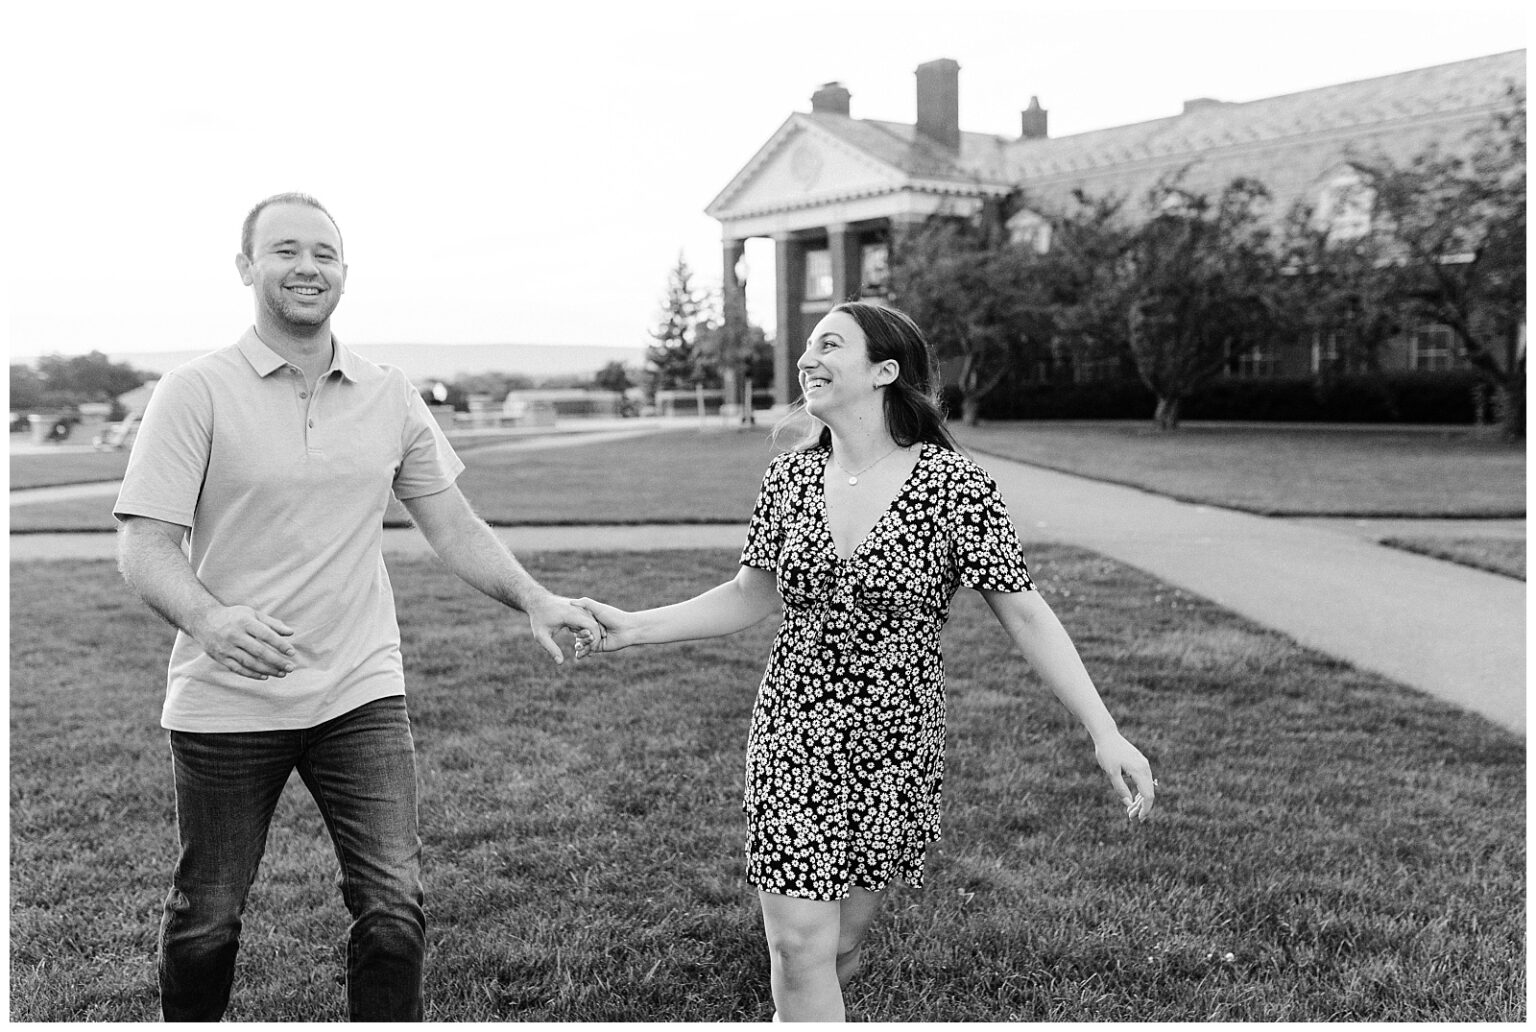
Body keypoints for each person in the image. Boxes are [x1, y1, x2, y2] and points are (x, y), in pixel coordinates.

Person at [573, 301, 1157, 1022]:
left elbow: (1026, 611)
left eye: (829, 345)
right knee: (796, 943)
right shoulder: (788, 478)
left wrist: (1105, 731)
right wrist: (633, 628)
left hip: (894, 743)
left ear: (884, 371)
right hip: (794, 728)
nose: (806, 358)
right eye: (809, 345)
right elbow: (748, 594)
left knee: (842, 940)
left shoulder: (953, 483)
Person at [113, 192, 600, 1021]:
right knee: (208, 916)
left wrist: (533, 596)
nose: (308, 267)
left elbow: (449, 522)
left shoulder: (388, 392)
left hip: (359, 693)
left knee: (393, 908)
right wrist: (211, 619)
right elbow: (144, 545)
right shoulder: (193, 391)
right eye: (286, 251)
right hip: (227, 703)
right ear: (246, 268)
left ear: (344, 272)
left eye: (325, 254)